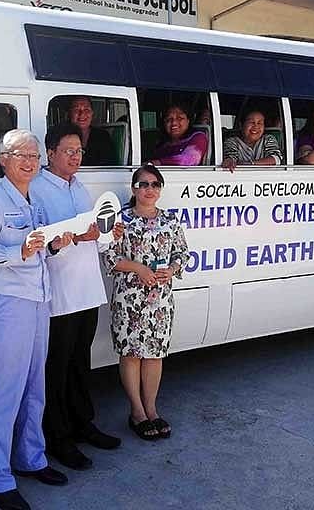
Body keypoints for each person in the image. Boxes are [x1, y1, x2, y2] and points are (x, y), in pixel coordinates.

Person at [0, 129, 70, 510]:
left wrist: (55, 245)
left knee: (34, 385)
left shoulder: (35, 202)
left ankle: (31, 457)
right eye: (20, 155)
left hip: (38, 300)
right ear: (4, 159)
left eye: (34, 155)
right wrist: (18, 249)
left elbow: (39, 250)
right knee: (2, 391)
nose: (29, 162)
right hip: (8, 303)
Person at [30, 123, 122, 472]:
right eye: (68, 150)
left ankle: (84, 424)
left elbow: (94, 236)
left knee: (81, 364)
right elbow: (40, 242)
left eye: (79, 151)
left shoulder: (81, 188)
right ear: (50, 152)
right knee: (56, 369)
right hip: (58, 295)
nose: (74, 156)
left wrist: (107, 233)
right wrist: (73, 237)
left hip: (87, 290)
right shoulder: (37, 189)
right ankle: (57, 437)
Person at [104, 164, 187, 442]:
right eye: (143, 184)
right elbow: (110, 257)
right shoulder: (121, 221)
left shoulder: (171, 221)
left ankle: (152, 408)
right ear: (134, 189)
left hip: (160, 299)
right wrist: (138, 268)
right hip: (129, 298)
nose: (149, 189)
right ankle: (136, 412)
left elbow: (182, 253)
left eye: (154, 184)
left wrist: (172, 270)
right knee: (131, 354)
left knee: (154, 354)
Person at [67, 96, 114, 166]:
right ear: (69, 113)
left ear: (92, 113)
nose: (82, 114)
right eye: (76, 110)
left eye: (86, 110)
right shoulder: (62, 136)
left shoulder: (102, 136)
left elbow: (109, 165)